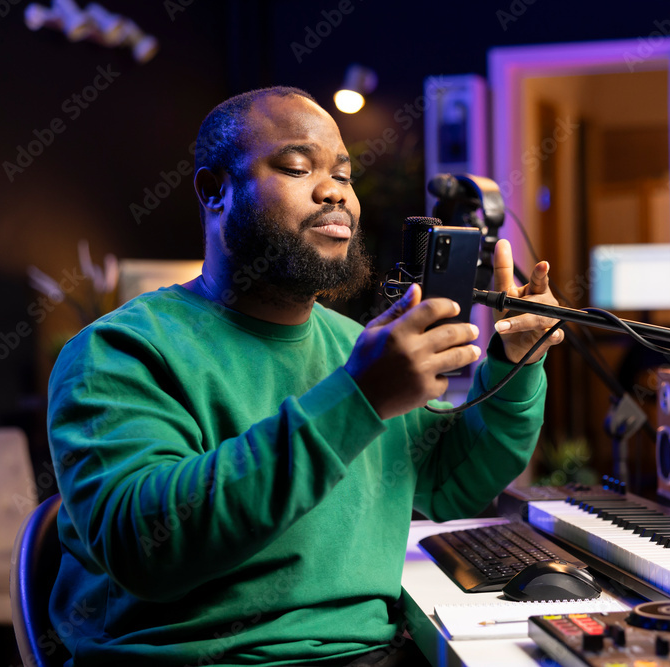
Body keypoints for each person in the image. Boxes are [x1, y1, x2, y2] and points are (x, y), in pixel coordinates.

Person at [46, 86, 563, 666]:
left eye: (344, 175)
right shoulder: (118, 352)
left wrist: (517, 363)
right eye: (297, 167)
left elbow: (448, 483)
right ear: (215, 191)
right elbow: (144, 545)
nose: (333, 191)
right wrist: (359, 397)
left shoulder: (353, 344)